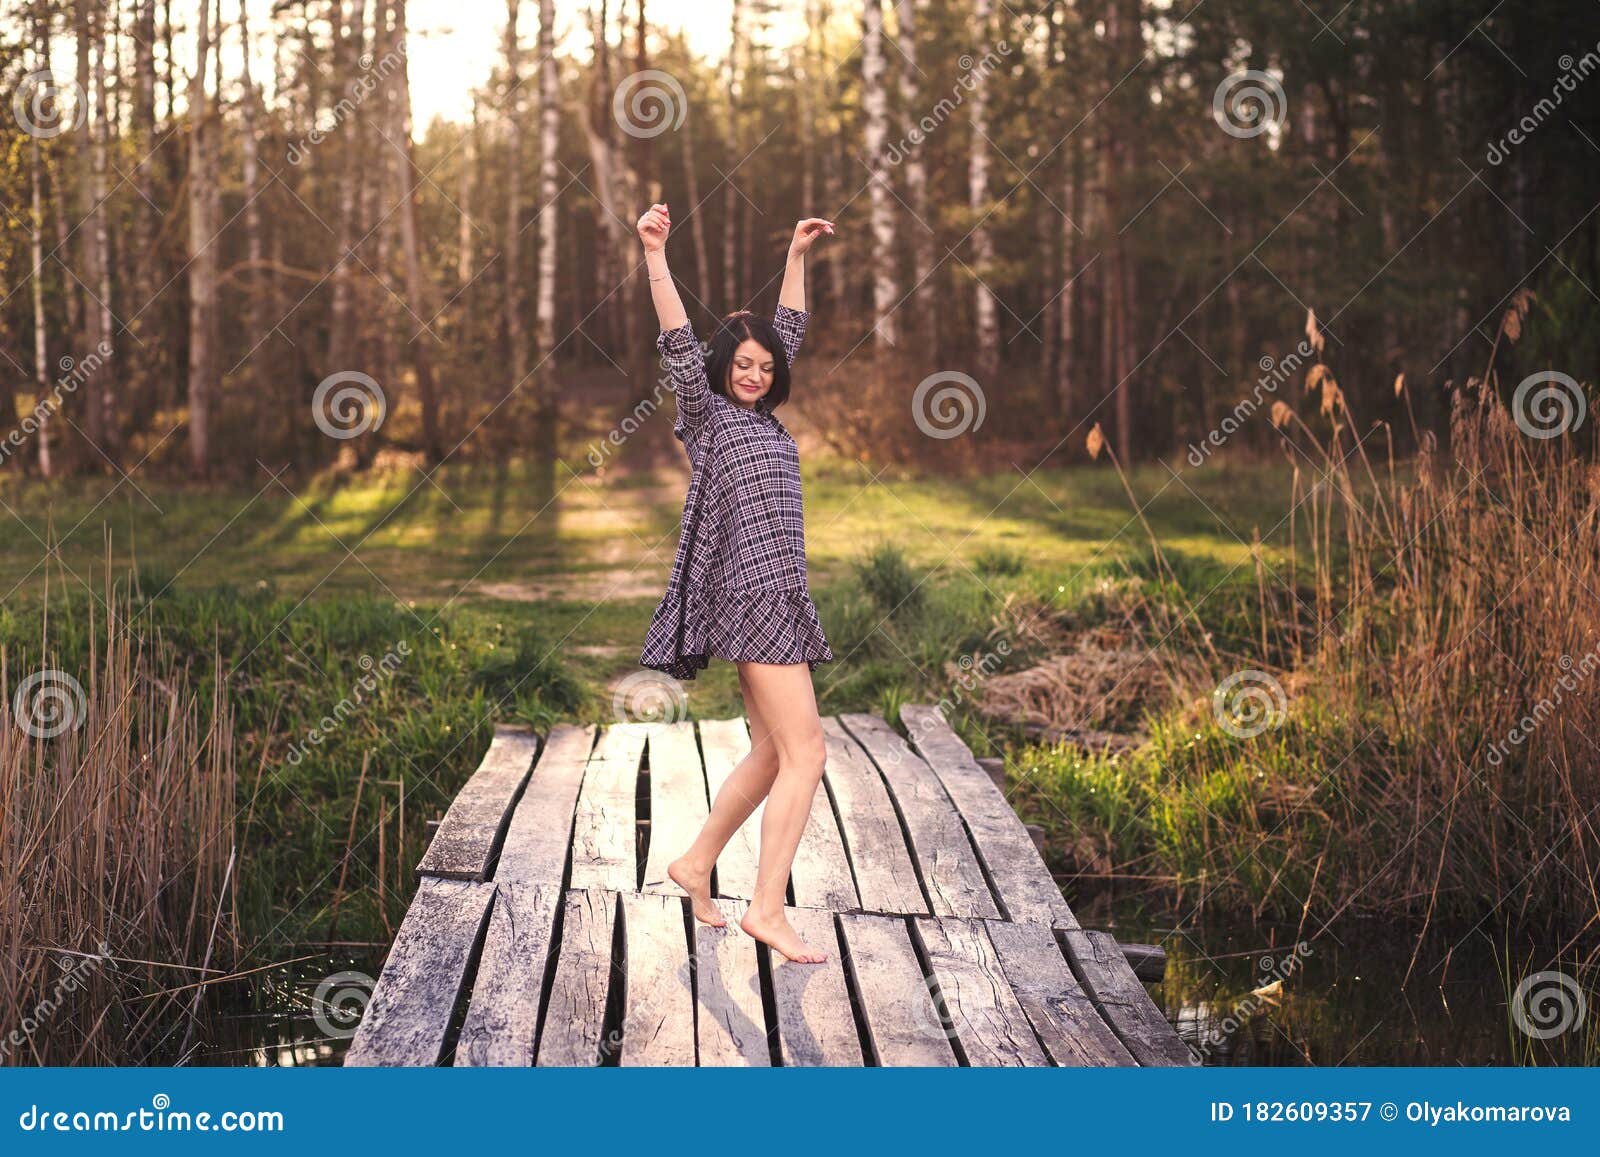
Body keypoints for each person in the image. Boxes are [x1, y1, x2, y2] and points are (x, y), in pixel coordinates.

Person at [635, 201, 838, 964]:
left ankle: (695, 863)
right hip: (752, 602)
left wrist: (796, 256)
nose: (754, 374)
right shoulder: (708, 416)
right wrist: (656, 255)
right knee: (808, 751)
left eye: (764, 367)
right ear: (720, 367)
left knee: (773, 753)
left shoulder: (764, 422)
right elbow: (676, 336)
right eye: (742, 363)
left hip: (777, 596)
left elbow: (789, 329)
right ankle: (766, 908)